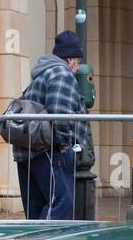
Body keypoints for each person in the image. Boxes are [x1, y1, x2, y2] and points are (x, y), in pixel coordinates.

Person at [14, 31, 90, 220]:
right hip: (50, 151)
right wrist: (64, 146)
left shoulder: (41, 74)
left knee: (35, 207)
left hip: (29, 150)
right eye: (78, 62)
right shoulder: (61, 73)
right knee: (61, 202)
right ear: (70, 58)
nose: (77, 68)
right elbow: (60, 114)